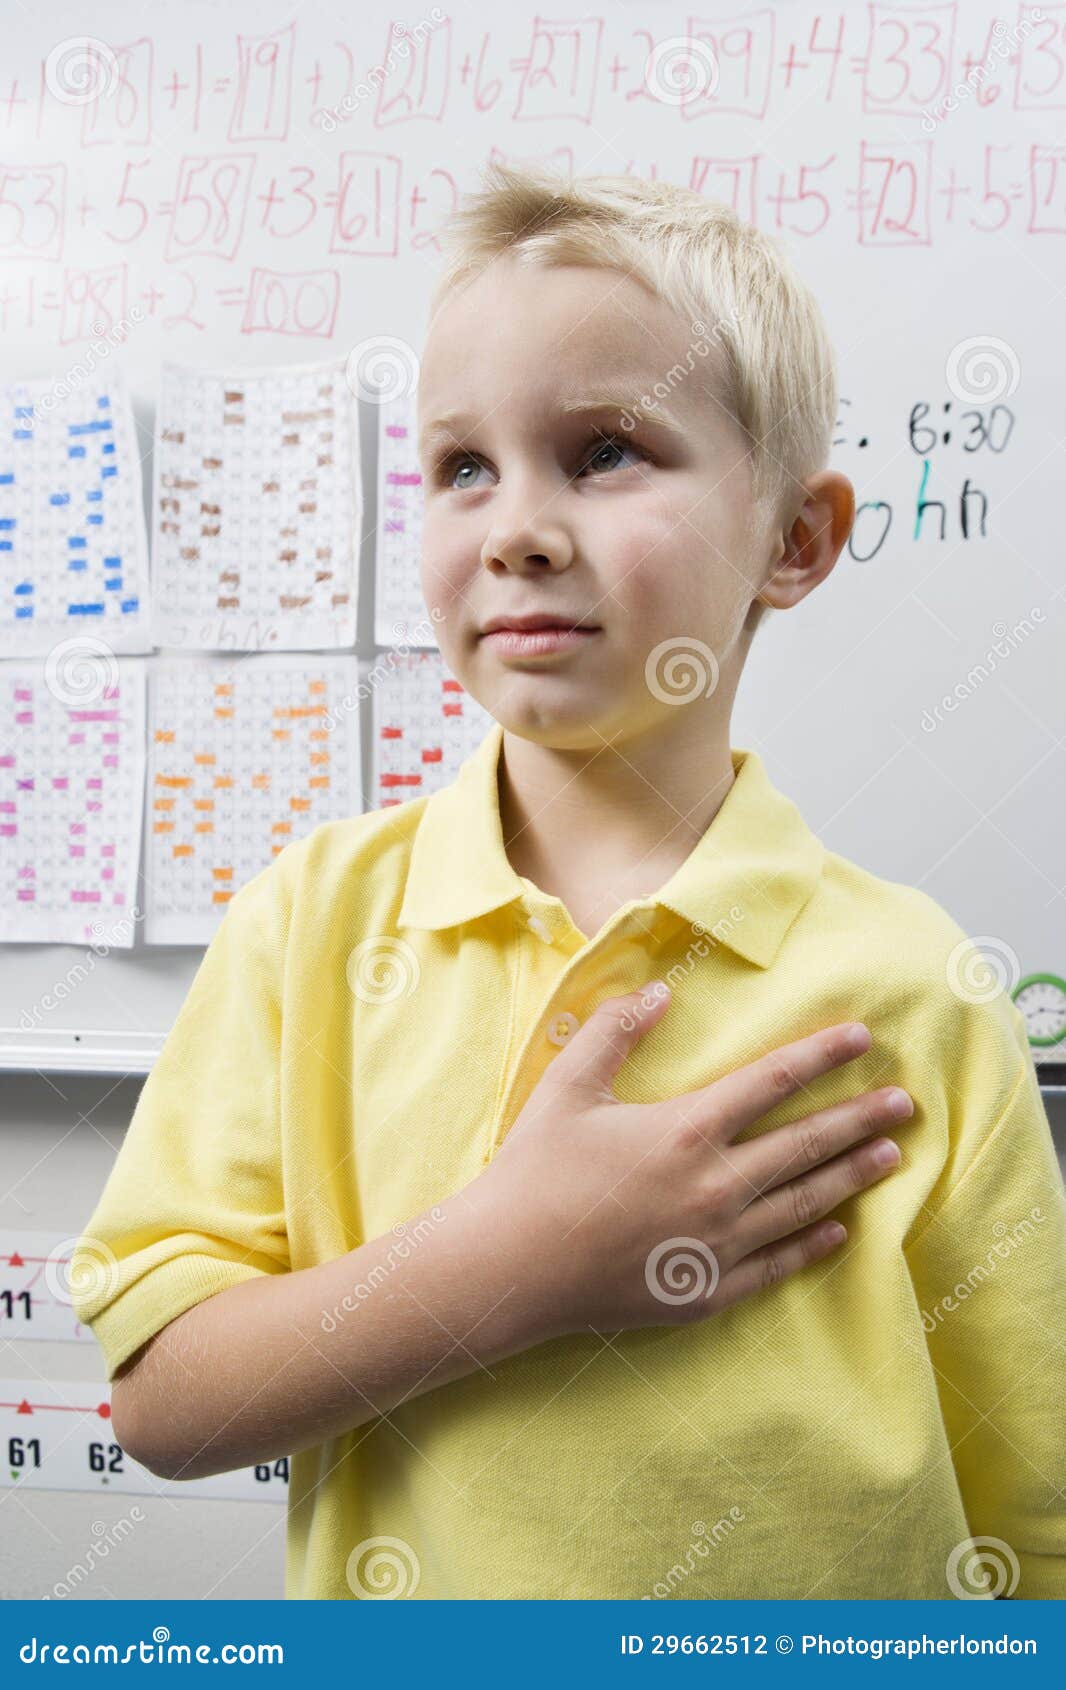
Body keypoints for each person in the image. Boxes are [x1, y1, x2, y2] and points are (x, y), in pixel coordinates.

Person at [72, 161, 1065, 1601]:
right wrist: (507, 1263)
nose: (514, 525)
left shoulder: (911, 980)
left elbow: (1032, 1509)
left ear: (793, 539)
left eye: (603, 450)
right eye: (461, 466)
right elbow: (165, 1401)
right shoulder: (313, 923)